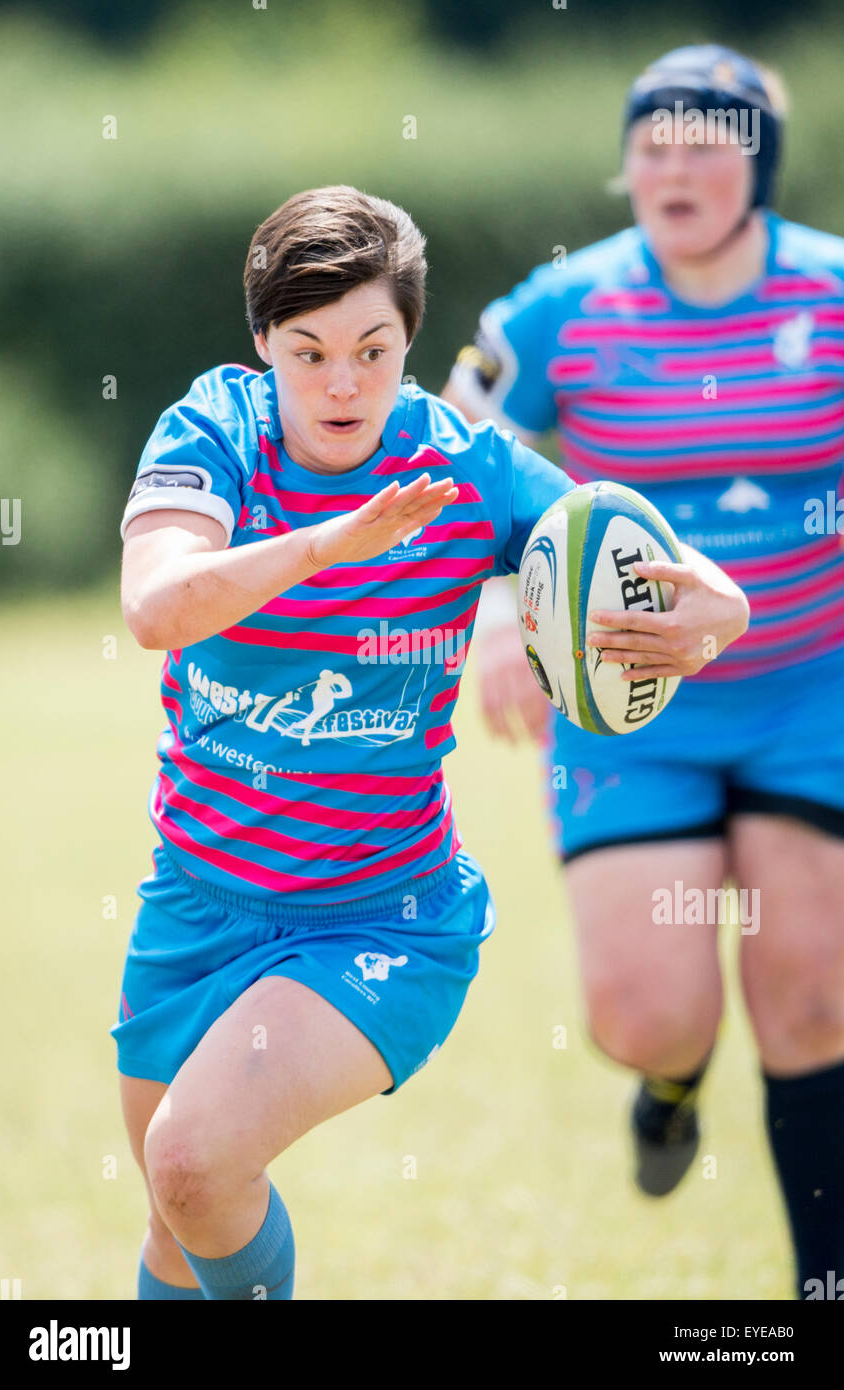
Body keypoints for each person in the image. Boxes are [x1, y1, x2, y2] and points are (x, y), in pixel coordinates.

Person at [112, 184, 747, 1300]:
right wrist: (328, 543)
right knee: (181, 1214)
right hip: (194, 899)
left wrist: (715, 611)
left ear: (410, 338)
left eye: (374, 347)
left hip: (381, 915)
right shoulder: (212, 430)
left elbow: (639, 553)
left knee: (190, 1156)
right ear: (262, 342)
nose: (343, 383)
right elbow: (158, 609)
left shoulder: (466, 465)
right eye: (307, 352)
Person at [442, 43, 844, 1299]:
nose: (672, 166)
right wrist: (501, 604)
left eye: (703, 142)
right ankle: (670, 1083)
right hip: (631, 710)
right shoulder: (562, 308)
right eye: (650, 143)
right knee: (645, 1011)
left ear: (757, 164)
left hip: (811, 696)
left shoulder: (832, 296)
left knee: (813, 997)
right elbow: (453, 459)